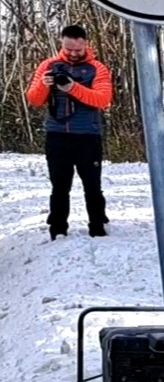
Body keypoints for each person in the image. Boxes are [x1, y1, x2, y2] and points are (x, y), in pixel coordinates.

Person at [25, 24, 114, 240]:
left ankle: (97, 225)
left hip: (87, 135)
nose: (73, 54)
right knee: (59, 186)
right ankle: (57, 228)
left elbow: (103, 100)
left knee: (92, 185)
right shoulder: (49, 65)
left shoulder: (97, 68)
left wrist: (72, 87)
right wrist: (45, 85)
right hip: (56, 134)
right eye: (68, 49)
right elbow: (34, 99)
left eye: (78, 49)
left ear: (86, 44)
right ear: (61, 44)